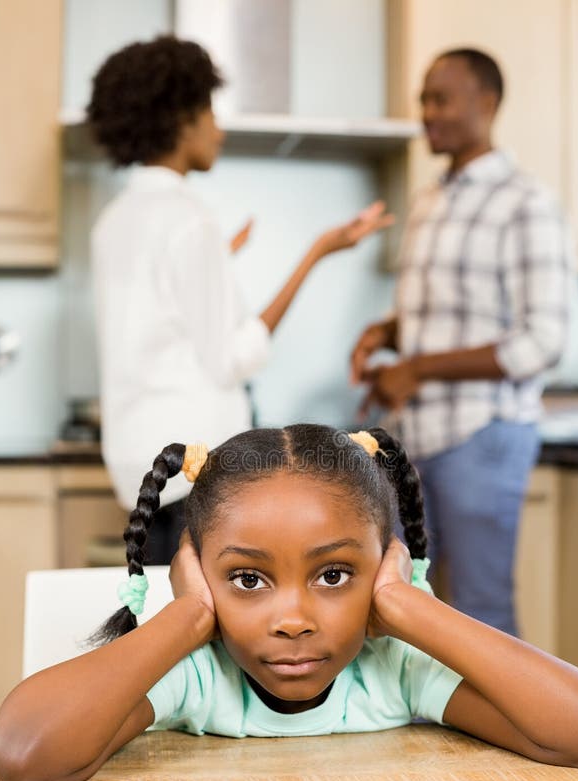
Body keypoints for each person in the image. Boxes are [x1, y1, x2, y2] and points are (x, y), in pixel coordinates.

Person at [0, 424, 578, 781]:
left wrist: (406, 605)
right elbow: (23, 754)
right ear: (201, 576)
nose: (293, 619)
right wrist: (185, 618)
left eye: (334, 575)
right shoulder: (197, 676)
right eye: (247, 579)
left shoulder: (397, 667)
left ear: (383, 566)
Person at [87, 35, 393, 563]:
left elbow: (160, 317)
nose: (218, 128)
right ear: (181, 117)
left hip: (143, 470)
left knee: (169, 631)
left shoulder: (114, 220)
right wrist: (316, 252)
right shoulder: (188, 217)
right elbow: (233, 358)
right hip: (194, 474)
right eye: (209, 110)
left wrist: (218, 262)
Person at [351, 48, 574, 635]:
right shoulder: (429, 201)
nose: (427, 113)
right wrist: (388, 334)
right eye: (424, 99)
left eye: (441, 99)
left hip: (485, 435)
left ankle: (516, 731)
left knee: (480, 609)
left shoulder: (527, 204)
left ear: (488, 103)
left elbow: (542, 341)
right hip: (418, 436)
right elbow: (454, 312)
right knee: (401, 603)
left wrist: (419, 368)